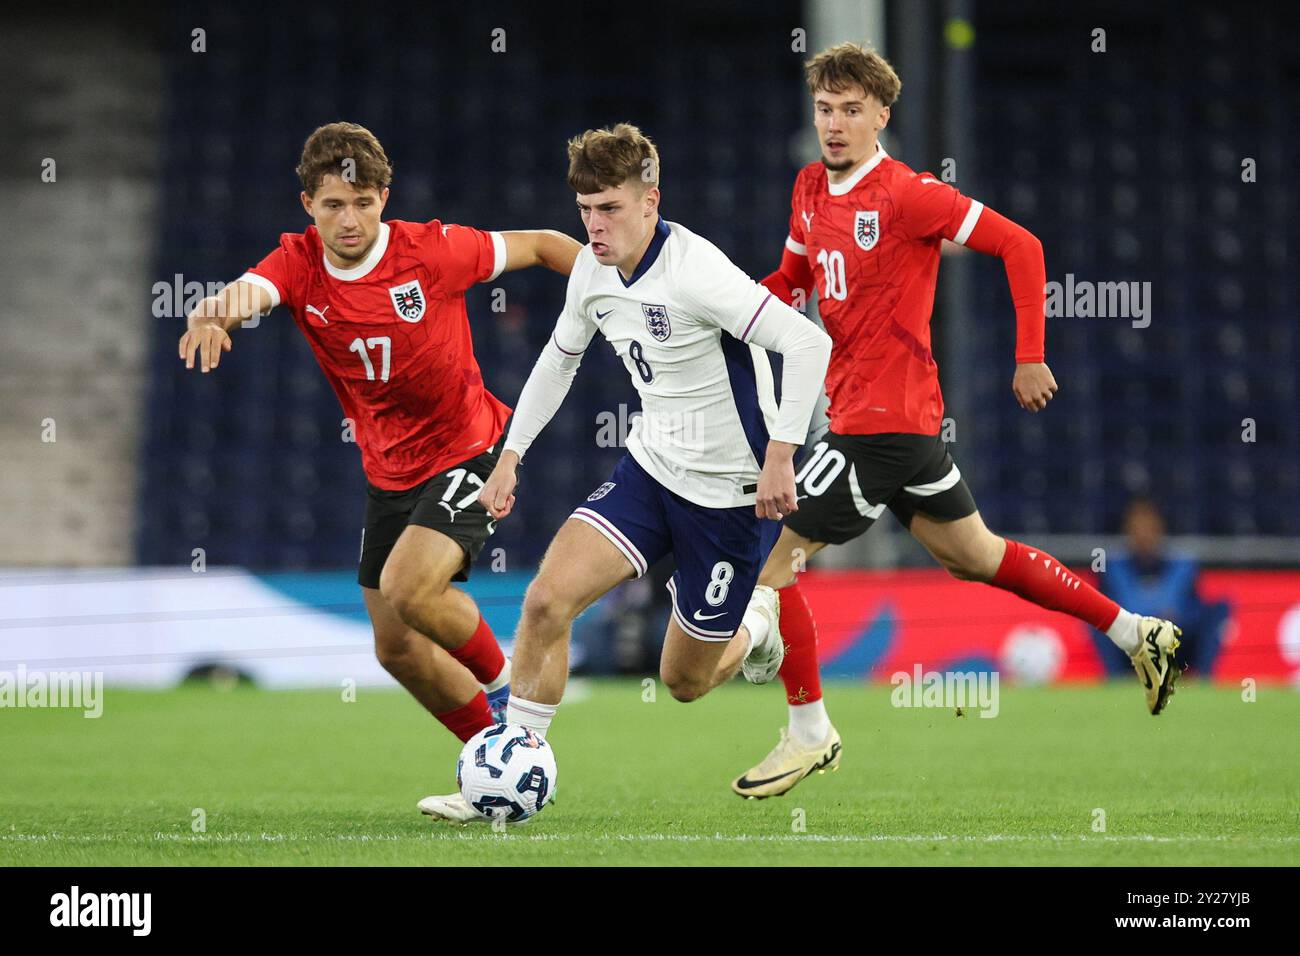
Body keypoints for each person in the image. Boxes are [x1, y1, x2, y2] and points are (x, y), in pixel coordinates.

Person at [730, 43, 1183, 800]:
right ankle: (1138, 633)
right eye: (824, 109)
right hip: (881, 426)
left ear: (881, 115)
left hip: (882, 428)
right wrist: (729, 309)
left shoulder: (910, 196)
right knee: (977, 555)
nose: (834, 124)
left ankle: (809, 732)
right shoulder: (809, 187)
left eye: (850, 110)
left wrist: (1029, 354)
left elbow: (1021, 244)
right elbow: (794, 281)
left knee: (767, 551)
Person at [418, 123, 832, 822]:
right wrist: (511, 455)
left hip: (729, 496)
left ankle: (759, 621)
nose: (594, 225)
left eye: (608, 207)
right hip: (650, 467)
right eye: (584, 209)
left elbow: (806, 339)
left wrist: (782, 454)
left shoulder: (697, 270)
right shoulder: (592, 269)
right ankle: (505, 777)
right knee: (548, 600)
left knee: (684, 682)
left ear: (650, 200)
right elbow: (558, 359)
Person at [176, 122, 582, 812]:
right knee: (395, 649)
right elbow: (245, 294)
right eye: (333, 204)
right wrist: (213, 315)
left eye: (362, 202)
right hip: (388, 471)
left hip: (469, 447)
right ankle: (501, 771)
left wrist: (620, 286)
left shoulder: (434, 251)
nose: (349, 219)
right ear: (307, 203)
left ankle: (510, 698)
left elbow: (543, 245)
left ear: (383, 197)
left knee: (409, 588)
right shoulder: (298, 264)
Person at [1095, 497, 1226, 678]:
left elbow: (1192, 608)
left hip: (1174, 642)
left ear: (1159, 529)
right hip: (1131, 642)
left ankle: (1201, 678)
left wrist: (1172, 618)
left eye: (1148, 528)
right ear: (1128, 532)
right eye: (1137, 528)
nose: (1143, 535)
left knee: (1219, 609)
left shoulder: (1183, 564)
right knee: (1094, 616)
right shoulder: (1113, 567)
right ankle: (1119, 679)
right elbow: (1116, 607)